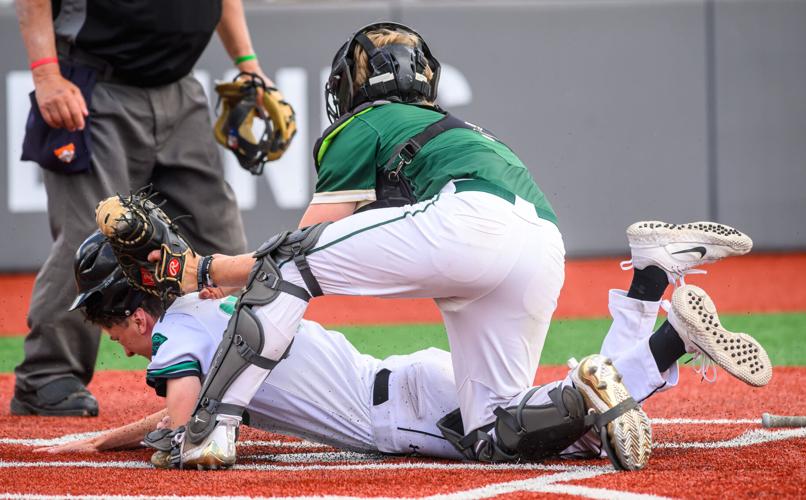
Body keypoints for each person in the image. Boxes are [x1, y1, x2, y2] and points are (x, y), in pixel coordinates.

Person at [139, 23, 765, 469]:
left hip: (469, 224)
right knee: (492, 429)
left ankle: (210, 429)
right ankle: (638, 306)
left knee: (288, 265)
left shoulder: (362, 125)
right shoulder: (461, 129)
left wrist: (198, 270)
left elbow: (297, 249)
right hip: (542, 243)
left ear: (354, 86)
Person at [42, 229, 770, 470]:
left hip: (399, 414)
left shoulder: (175, 330)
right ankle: (657, 307)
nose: (120, 347)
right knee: (574, 434)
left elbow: (180, 421)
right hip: (407, 386)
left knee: (564, 436)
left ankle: (637, 326)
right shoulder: (210, 304)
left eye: (110, 329)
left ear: (124, 307)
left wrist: (101, 442)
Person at [11, 0, 273, 416]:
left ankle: (236, 365)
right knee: (92, 237)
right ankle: (47, 375)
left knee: (217, 235)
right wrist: (46, 73)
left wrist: (247, 62)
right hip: (93, 86)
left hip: (181, 86)